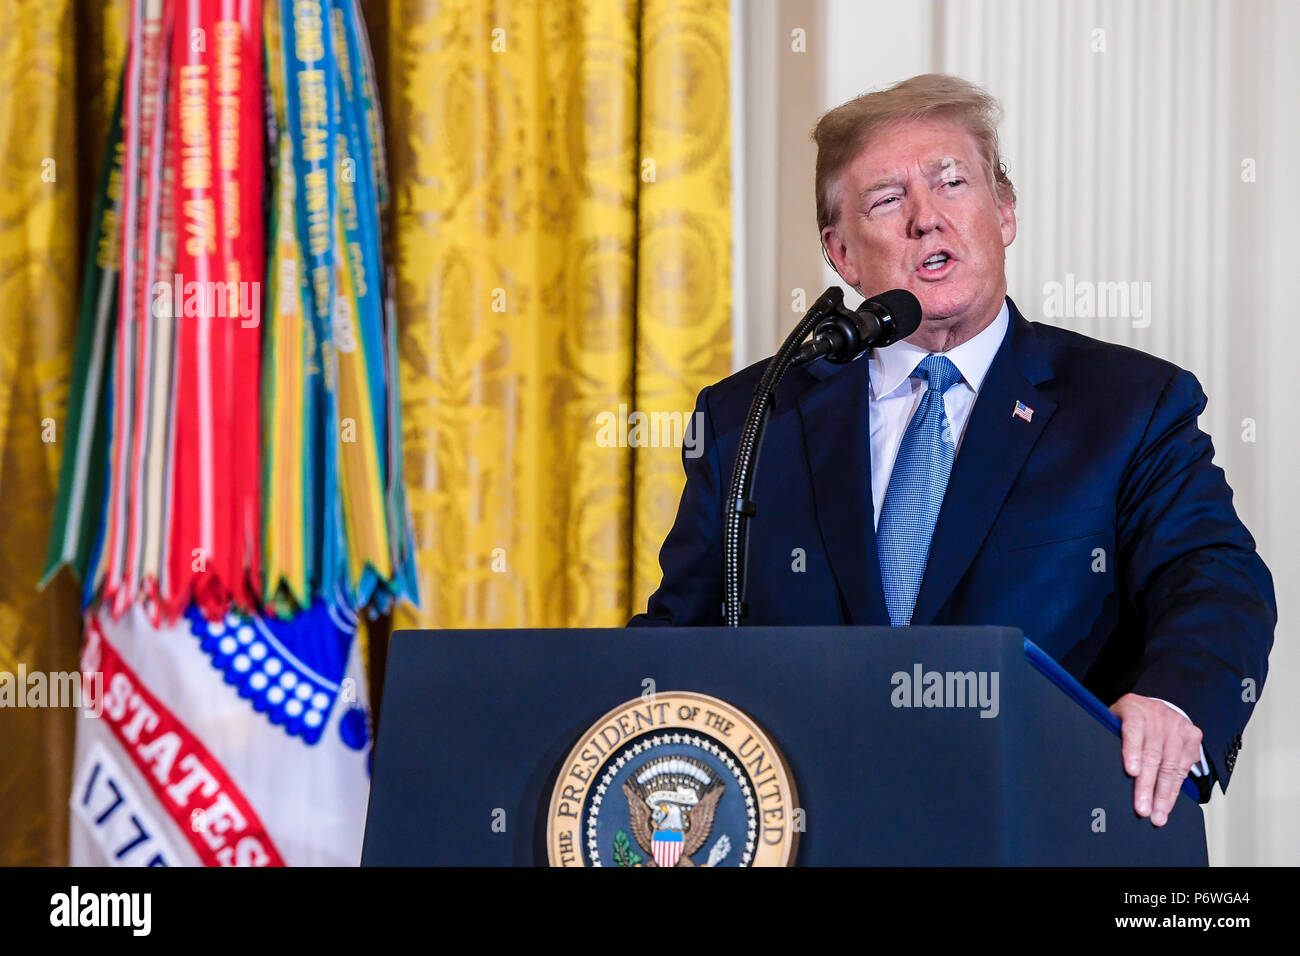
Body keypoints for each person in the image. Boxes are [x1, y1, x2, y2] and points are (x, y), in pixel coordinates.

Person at [629, 74, 1276, 828]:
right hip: (812, 828)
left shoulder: (1129, 405)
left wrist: (1172, 698)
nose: (925, 220)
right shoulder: (752, 418)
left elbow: (1216, 578)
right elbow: (679, 638)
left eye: (952, 183)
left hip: (1044, 817)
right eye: (885, 200)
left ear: (1004, 212)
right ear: (841, 253)